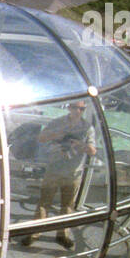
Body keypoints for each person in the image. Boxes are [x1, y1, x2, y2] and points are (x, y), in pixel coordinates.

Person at [23, 100, 96, 249]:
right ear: (69, 108)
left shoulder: (87, 128)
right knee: (44, 203)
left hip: (73, 173)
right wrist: (58, 134)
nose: (78, 111)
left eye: (82, 109)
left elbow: (93, 151)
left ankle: (63, 235)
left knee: (68, 205)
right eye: (75, 108)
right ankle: (35, 233)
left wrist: (79, 144)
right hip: (54, 169)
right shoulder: (57, 122)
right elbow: (41, 138)